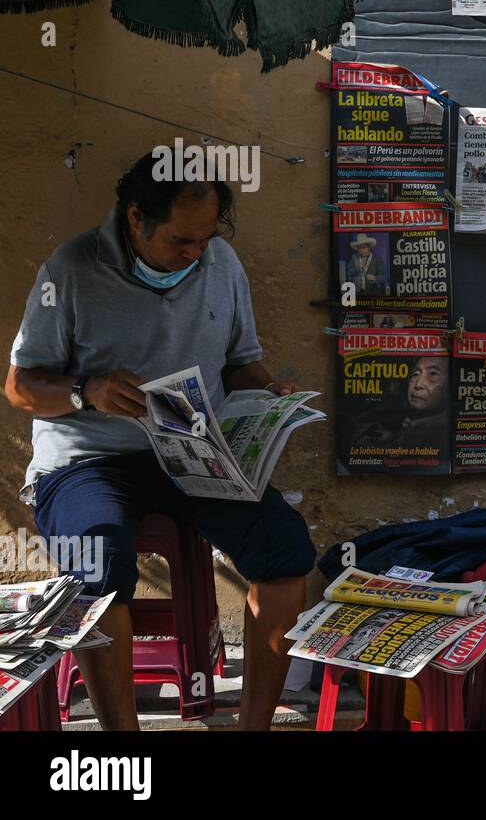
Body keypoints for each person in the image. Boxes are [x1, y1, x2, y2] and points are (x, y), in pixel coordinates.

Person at [5, 149, 315, 730]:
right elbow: (20, 386)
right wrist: (85, 391)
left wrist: (270, 394)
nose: (196, 254)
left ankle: (254, 727)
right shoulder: (70, 269)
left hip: (192, 450)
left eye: (205, 239)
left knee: (284, 551)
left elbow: (242, 363)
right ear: (135, 218)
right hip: (89, 459)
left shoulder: (220, 263)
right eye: (180, 242)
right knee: (93, 568)